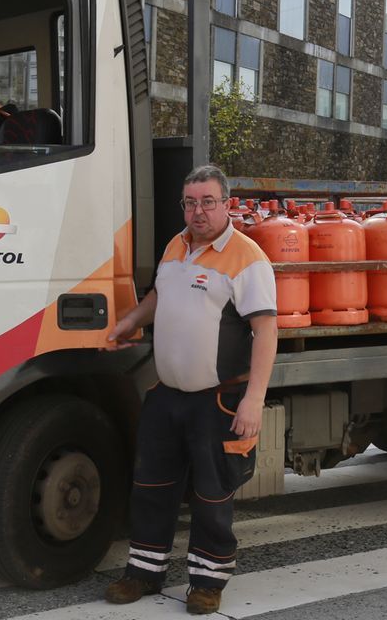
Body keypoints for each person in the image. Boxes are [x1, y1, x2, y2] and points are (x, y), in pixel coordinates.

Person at [103, 164, 278, 615]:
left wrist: (254, 400)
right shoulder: (175, 246)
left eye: (207, 202)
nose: (197, 211)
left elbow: (265, 330)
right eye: (190, 202)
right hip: (167, 395)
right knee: (152, 487)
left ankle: (208, 582)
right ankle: (143, 572)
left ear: (227, 204)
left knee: (211, 494)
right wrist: (130, 321)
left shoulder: (248, 257)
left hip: (217, 399)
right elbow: (160, 297)